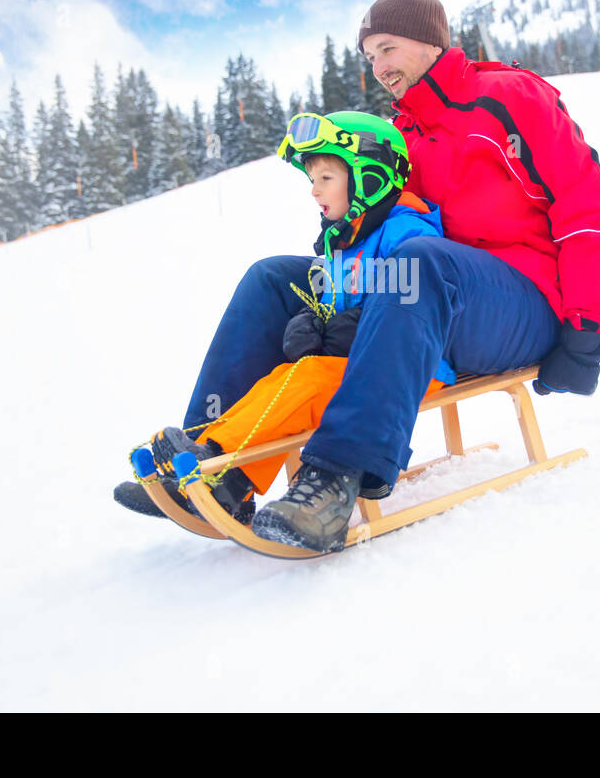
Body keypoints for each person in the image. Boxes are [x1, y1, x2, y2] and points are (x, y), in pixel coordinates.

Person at [173, 0, 600, 553]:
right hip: (433, 304)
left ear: (431, 40)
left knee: (421, 264)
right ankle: (207, 459)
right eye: (369, 57)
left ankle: (335, 479)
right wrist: (339, 311)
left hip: (526, 301)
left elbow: (588, 210)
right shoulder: (401, 137)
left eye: (388, 48)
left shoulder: (508, 97)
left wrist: (587, 330)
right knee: (277, 279)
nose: (380, 67)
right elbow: (374, 239)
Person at [114, 111, 455, 541]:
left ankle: (216, 461)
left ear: (369, 178)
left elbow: (406, 307)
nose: (314, 191)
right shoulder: (344, 241)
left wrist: (348, 329)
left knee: (305, 380)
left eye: (326, 177)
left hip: (410, 372)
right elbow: (333, 301)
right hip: (351, 368)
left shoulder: (408, 233)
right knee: (286, 376)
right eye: (312, 179)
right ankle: (228, 480)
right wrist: (311, 324)